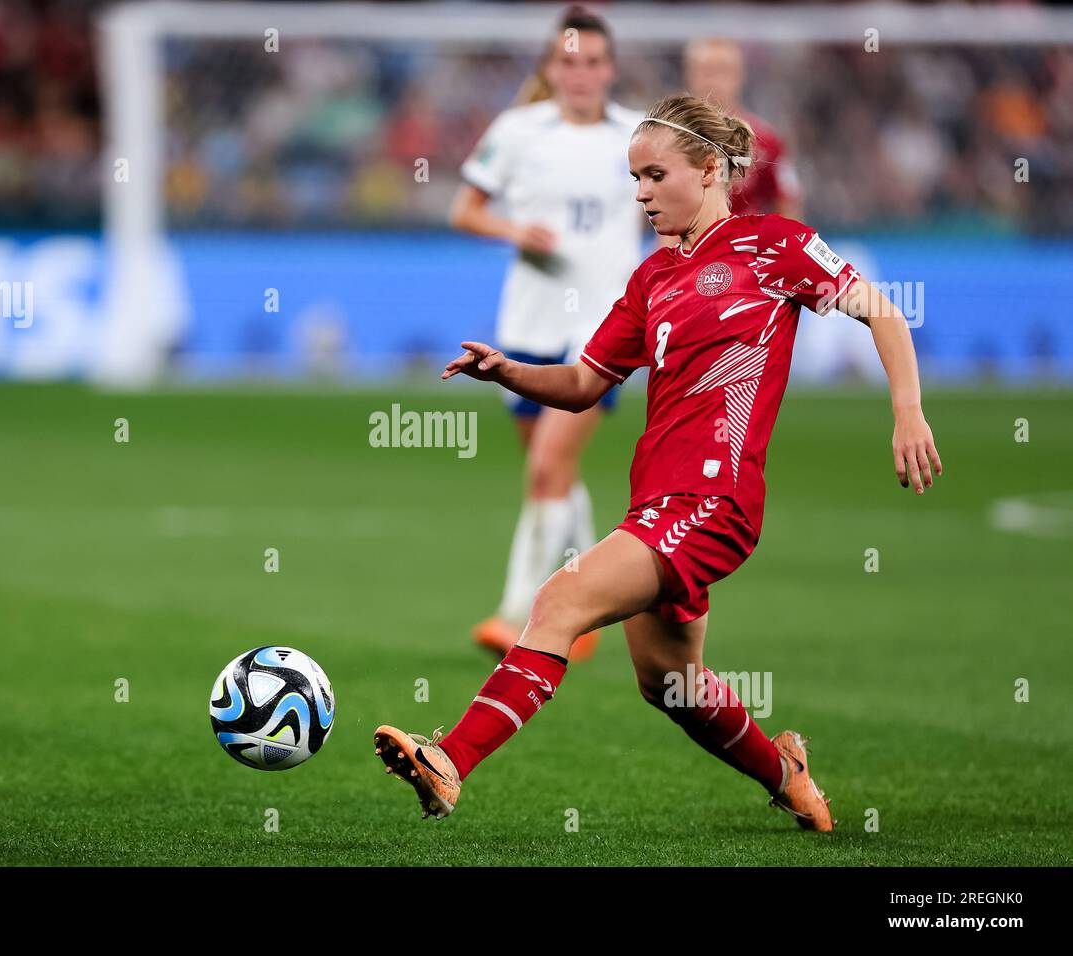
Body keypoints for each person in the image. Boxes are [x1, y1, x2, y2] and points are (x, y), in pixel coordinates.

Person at [374, 93, 943, 831]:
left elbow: (883, 310)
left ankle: (450, 760)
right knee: (669, 683)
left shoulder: (777, 246)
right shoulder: (653, 279)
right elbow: (583, 384)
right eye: (634, 178)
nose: (639, 194)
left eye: (653, 175)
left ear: (709, 169)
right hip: (657, 505)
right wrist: (509, 370)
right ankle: (788, 775)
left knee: (558, 603)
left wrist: (906, 411)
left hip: (716, 501)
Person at [451, 6, 647, 662]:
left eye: (593, 62)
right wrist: (516, 232)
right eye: (569, 61)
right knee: (554, 472)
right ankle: (589, 609)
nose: (582, 73)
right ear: (551, 67)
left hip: (604, 327)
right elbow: (465, 210)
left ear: (609, 68)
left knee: (546, 469)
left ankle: (519, 613)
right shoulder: (518, 131)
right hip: (529, 319)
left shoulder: (638, 136)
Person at [683, 38, 802, 218]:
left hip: (745, 244)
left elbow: (787, 206)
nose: (713, 81)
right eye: (705, 71)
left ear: (738, 76)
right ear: (689, 75)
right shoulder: (671, 138)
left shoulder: (764, 140)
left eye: (722, 71)